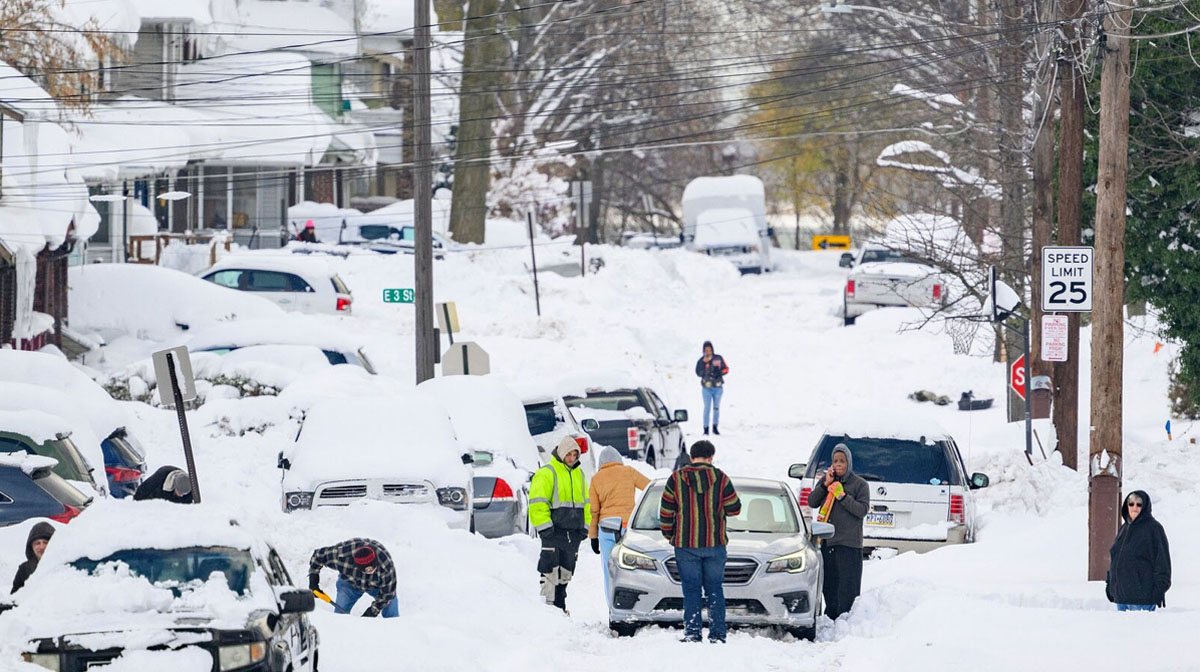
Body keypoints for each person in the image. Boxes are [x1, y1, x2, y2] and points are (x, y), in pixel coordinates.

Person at [659, 440, 741, 643]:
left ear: (691, 456)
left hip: (686, 545)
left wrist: (671, 535)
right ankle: (718, 634)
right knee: (715, 589)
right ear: (711, 457)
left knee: (691, 589)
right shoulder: (721, 478)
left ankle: (693, 633)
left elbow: (666, 511)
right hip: (715, 544)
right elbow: (735, 508)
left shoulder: (676, 479)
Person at [807, 443, 870, 620]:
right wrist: (825, 485)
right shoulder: (828, 481)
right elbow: (812, 501)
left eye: (842, 461)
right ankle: (831, 618)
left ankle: (846, 622)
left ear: (849, 462)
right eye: (835, 461)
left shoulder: (860, 485)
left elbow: (861, 510)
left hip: (849, 544)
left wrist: (842, 496)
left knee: (847, 589)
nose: (838, 464)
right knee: (830, 587)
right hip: (828, 542)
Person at [529, 436, 590, 612]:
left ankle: (560, 606)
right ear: (561, 453)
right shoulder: (547, 473)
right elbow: (538, 503)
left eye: (575, 455)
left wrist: (584, 528)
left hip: (573, 534)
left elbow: (586, 503)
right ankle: (548, 610)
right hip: (553, 533)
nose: (571, 458)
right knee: (549, 571)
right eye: (569, 454)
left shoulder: (579, 474)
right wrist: (545, 528)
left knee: (566, 572)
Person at [588, 446, 651, 603]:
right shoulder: (628, 471)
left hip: (606, 529)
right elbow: (649, 488)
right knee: (633, 566)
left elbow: (594, 512)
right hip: (628, 528)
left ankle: (612, 605)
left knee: (610, 570)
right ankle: (637, 602)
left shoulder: (596, 479)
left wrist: (593, 537)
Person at [1106, 490, 1171, 611]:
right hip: (1121, 598)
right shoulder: (1124, 529)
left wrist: (1160, 589)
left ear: (1145, 507)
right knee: (1120, 631)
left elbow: (1162, 562)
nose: (1134, 507)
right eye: (1131, 504)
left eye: (1139, 504)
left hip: (1142, 599)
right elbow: (1115, 557)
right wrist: (1110, 584)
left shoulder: (1154, 529)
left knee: (1141, 630)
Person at [309, 538, 398, 617]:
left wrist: (372, 612)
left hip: (377, 587)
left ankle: (393, 631)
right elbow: (318, 556)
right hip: (350, 584)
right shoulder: (342, 555)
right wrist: (313, 580)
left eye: (372, 567)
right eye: (367, 569)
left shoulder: (385, 564)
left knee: (390, 608)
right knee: (339, 617)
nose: (370, 570)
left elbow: (387, 594)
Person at [694, 341, 729, 435]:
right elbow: (698, 372)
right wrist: (703, 365)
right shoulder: (701, 360)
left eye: (710, 350)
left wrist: (720, 372)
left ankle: (715, 426)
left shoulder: (718, 358)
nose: (708, 352)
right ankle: (706, 428)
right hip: (707, 388)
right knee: (707, 408)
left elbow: (726, 369)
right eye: (706, 350)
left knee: (716, 407)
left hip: (718, 387)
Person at [11, 522, 54, 594]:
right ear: (31, 547)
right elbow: (14, 597)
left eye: (45, 542)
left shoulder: (64, 565)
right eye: (37, 543)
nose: (42, 547)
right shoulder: (24, 570)